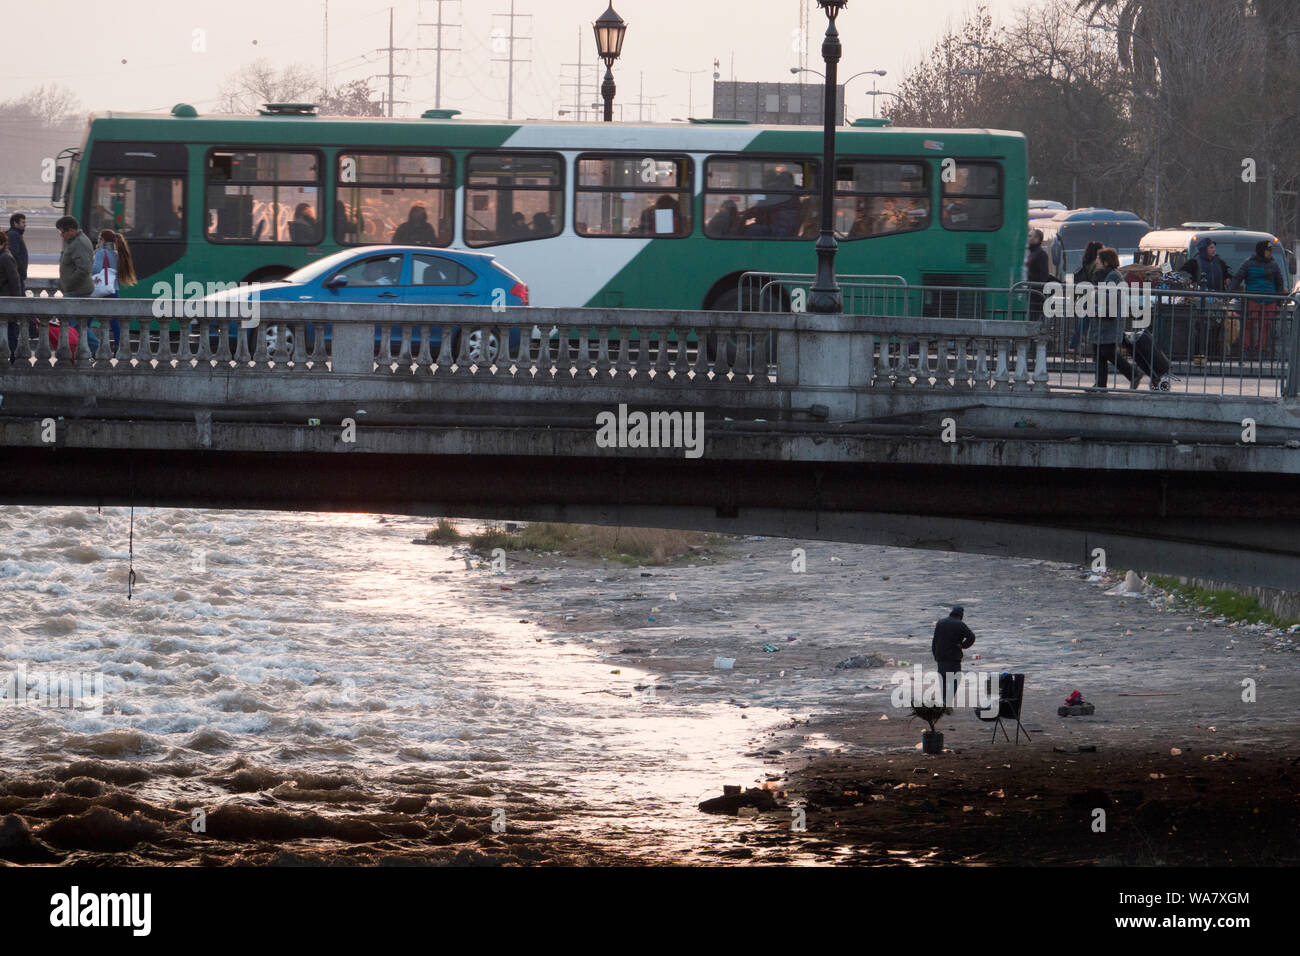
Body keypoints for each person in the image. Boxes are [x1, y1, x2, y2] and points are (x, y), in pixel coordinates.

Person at [1090, 247, 1138, 388]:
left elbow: (1108, 297)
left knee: (1107, 351)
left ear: (1105, 261)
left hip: (1109, 322)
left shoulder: (1113, 276)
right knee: (1099, 352)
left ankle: (1133, 374)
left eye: (1099, 260)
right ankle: (1100, 384)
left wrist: (1094, 295)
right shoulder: (1104, 275)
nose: (1096, 262)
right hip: (1102, 321)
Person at [1229, 240, 1285, 359]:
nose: (1270, 253)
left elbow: (1280, 283)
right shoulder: (1249, 263)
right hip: (1253, 299)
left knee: (1265, 326)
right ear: (1261, 251)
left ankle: (1261, 350)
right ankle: (1246, 350)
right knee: (1249, 324)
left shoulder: (1274, 265)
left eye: (1271, 250)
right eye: (1267, 250)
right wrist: (1229, 293)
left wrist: (1279, 302)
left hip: (1270, 300)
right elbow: (1238, 278)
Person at [931, 606, 976, 705]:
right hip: (953, 656)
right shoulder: (960, 624)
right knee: (955, 679)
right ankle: (947, 702)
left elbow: (935, 641)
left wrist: (935, 654)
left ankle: (944, 701)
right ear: (961, 615)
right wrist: (963, 645)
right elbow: (971, 637)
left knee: (943, 679)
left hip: (941, 656)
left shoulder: (940, 623)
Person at [1067, 240, 1103, 352]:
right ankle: (1074, 347)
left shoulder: (1087, 262)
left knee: (1084, 324)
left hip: (1086, 296)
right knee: (1092, 324)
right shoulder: (1096, 265)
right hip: (1093, 298)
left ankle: (1073, 347)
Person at [56, 216, 94, 297]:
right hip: (76, 291)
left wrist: (69, 284)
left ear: (71, 230)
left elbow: (84, 269)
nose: (61, 235)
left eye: (62, 232)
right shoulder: (74, 242)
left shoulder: (79, 244)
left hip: (77, 292)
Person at [1025, 228, 1051, 322]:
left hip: (1036, 294)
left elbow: (1044, 275)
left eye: (1029, 236)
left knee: (1033, 319)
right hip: (1031, 292)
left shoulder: (1040, 254)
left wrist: (1039, 290)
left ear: (1037, 239)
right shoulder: (1032, 253)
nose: (1027, 238)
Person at [6, 213, 28, 294]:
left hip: (17, 276)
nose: (25, 225)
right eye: (23, 222)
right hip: (16, 277)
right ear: (15, 223)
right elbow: (14, 255)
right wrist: (21, 270)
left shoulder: (15, 234)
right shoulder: (13, 235)